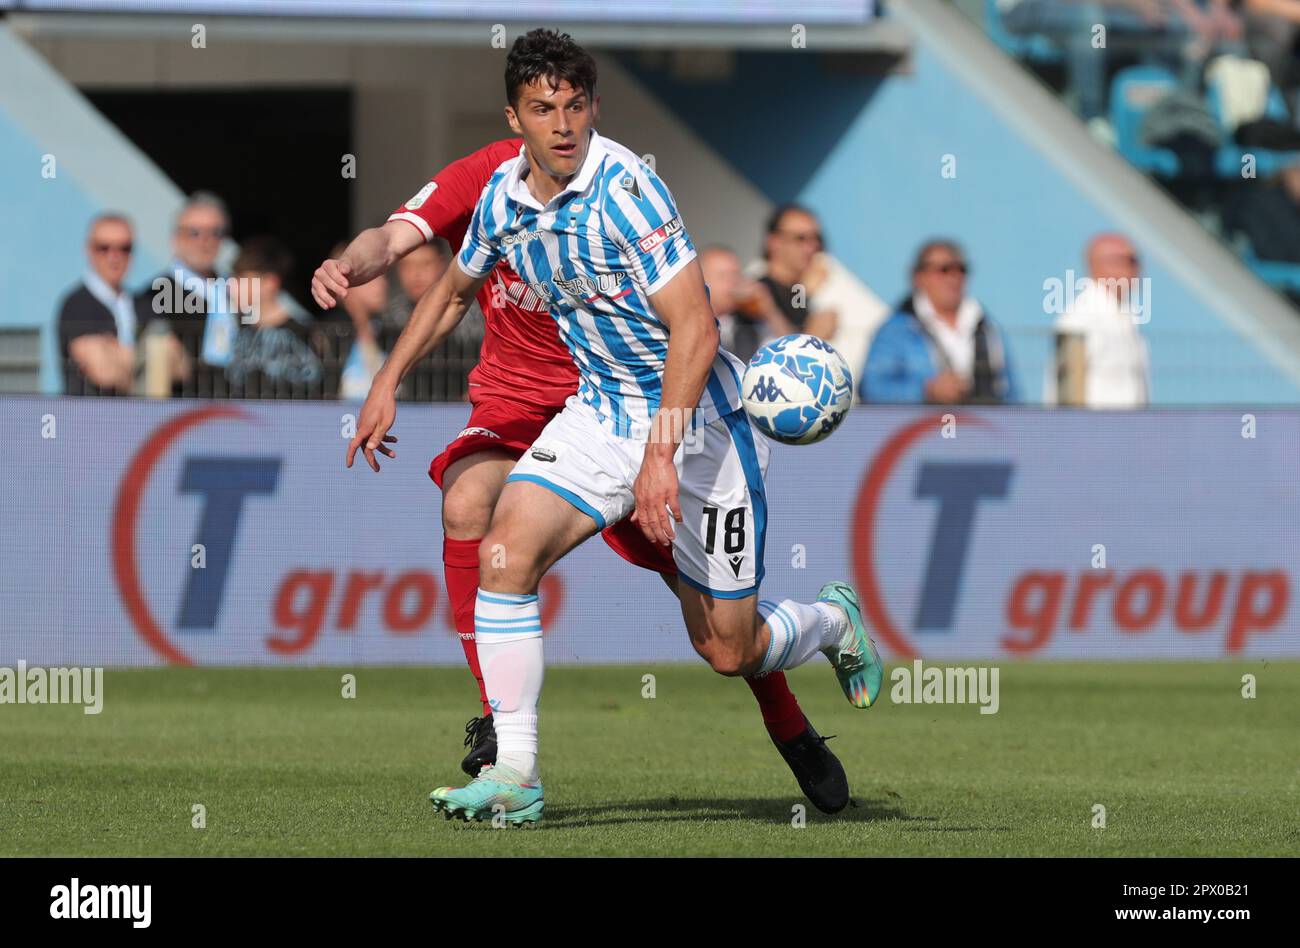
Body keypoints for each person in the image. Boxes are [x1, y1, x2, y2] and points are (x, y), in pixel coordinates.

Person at [347, 29, 884, 825]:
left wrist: (661, 456)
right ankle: (515, 774)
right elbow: (454, 292)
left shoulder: (628, 191)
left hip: (698, 422)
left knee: (727, 650)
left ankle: (833, 619)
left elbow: (696, 329)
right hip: (599, 411)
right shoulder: (503, 198)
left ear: (593, 106)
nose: (563, 124)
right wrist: (385, 383)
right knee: (503, 550)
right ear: (515, 118)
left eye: (574, 106)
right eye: (543, 109)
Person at [860, 240, 1018, 404]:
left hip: (981, 427)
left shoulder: (989, 330)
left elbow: (1012, 395)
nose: (954, 277)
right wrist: (927, 390)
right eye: (944, 270)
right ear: (919, 277)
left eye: (961, 269)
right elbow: (871, 388)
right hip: (920, 427)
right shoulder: (896, 330)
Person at [57, 212, 188, 395]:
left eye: (124, 248)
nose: (114, 256)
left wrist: (117, 353)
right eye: (104, 248)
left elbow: (181, 365)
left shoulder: (144, 304)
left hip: (147, 420)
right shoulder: (76, 305)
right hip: (92, 420)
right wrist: (153, 359)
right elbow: (104, 371)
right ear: (89, 250)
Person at [1047, 233, 1151, 407]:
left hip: (1130, 429)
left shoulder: (1125, 314)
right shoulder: (1079, 318)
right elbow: (1065, 394)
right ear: (1101, 264)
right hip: (1093, 430)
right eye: (1130, 260)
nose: (1138, 268)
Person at [140, 192, 237, 367]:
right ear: (175, 238)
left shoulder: (240, 291)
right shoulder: (153, 297)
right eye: (194, 232)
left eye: (215, 232)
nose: (205, 241)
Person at [225, 237, 323, 392]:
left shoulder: (304, 333)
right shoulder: (237, 330)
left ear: (270, 283)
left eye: (241, 278)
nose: (231, 286)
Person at [752, 204, 838, 340]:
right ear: (773, 242)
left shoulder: (800, 293)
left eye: (817, 239)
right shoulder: (754, 297)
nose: (812, 247)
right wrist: (813, 336)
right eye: (800, 238)